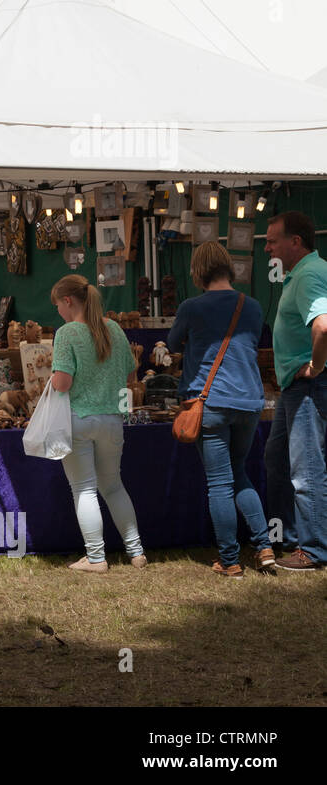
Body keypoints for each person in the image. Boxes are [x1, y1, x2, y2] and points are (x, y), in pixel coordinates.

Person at [167, 242, 273, 577]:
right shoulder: (252, 306)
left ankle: (230, 561)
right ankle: (265, 547)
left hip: (210, 401)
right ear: (229, 267)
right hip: (250, 400)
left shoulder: (191, 307)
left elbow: (172, 343)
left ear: (198, 272)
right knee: (239, 474)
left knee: (220, 483)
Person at [49, 274, 146, 573]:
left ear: (68, 301)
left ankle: (95, 558)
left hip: (78, 420)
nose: (58, 312)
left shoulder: (67, 333)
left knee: (85, 490)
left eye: (57, 306)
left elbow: (62, 383)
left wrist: (50, 380)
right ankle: (136, 552)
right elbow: (131, 375)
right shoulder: (114, 329)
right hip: (112, 420)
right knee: (114, 486)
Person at [262, 211, 327, 571]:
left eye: (272, 240)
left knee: (306, 469)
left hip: (308, 386)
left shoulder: (308, 276)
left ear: (296, 242)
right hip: (295, 387)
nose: (267, 247)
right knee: (277, 460)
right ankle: (288, 537)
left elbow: (323, 326)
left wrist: (315, 366)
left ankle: (314, 550)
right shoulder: (304, 274)